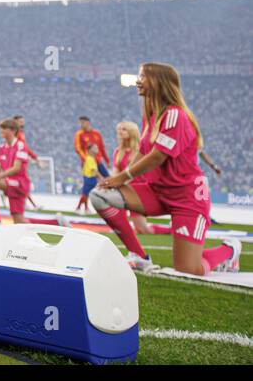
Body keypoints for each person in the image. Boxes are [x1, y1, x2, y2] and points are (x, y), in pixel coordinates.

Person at [91, 63, 240, 276]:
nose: (137, 80)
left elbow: (158, 156)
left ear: (159, 82)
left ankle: (229, 250)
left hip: (187, 198)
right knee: (100, 196)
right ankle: (139, 257)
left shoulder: (175, 115)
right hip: (156, 191)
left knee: (189, 269)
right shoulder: (151, 115)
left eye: (143, 76)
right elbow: (142, 153)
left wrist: (122, 177)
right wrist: (121, 181)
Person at [0, 118, 31, 226]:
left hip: (20, 183)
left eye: (5, 128)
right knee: (19, 222)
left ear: (13, 131)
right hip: (10, 183)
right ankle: (56, 222)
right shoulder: (2, 147)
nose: (2, 131)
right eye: (1, 129)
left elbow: (16, 168)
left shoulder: (20, 145)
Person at [76, 142, 109, 213]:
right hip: (89, 178)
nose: (97, 149)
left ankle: (85, 208)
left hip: (90, 178)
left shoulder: (91, 158)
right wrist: (101, 178)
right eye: (95, 148)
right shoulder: (89, 158)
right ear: (90, 150)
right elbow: (94, 170)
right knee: (85, 194)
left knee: (86, 194)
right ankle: (79, 208)